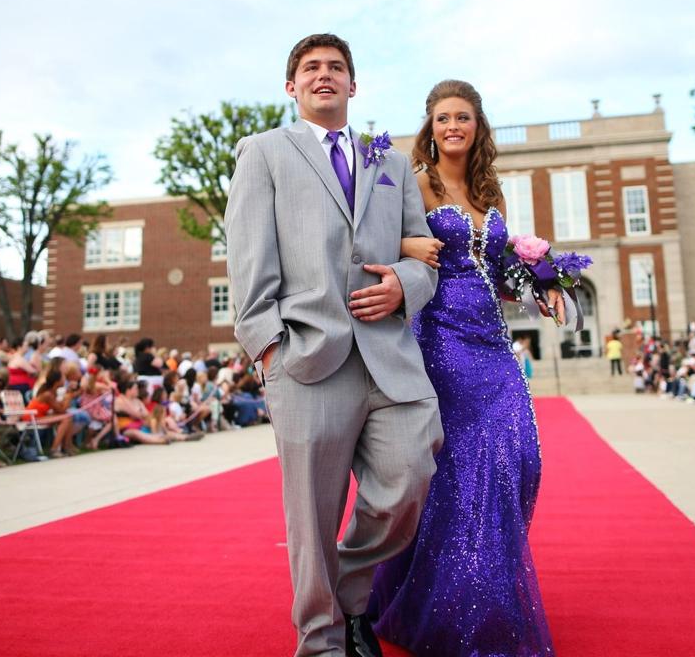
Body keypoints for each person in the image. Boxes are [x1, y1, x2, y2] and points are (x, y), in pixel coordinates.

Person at [225, 33, 443, 657]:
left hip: (390, 360)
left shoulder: (389, 162)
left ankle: (349, 597)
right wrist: (268, 349)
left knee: (408, 477)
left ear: (355, 84)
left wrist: (403, 285)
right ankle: (322, 640)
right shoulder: (264, 152)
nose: (325, 75)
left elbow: (421, 252)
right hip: (306, 358)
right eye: (311, 68)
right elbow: (248, 260)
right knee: (312, 516)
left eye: (337, 67)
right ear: (291, 87)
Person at [368, 79, 560, 656]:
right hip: (442, 341)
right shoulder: (413, 180)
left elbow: (497, 272)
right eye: (444, 118)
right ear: (431, 125)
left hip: (496, 345)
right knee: (461, 473)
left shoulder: (490, 191)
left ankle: (481, 590)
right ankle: (458, 610)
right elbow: (373, 238)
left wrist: (543, 283)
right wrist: (409, 242)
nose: (454, 126)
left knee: (520, 462)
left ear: (478, 127)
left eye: (464, 118)